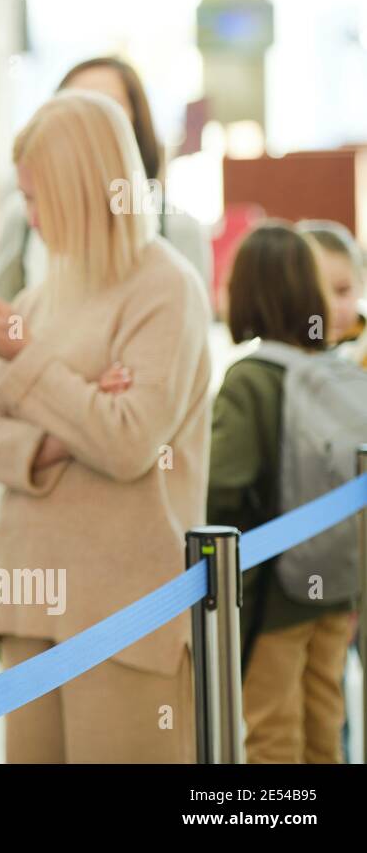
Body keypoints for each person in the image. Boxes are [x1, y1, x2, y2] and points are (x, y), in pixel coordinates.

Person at [0, 90, 212, 763]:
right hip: (30, 606)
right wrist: (73, 421)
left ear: (83, 191)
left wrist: (25, 365)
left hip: (124, 611)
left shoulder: (166, 289)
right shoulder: (42, 296)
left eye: (39, 200)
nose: (29, 219)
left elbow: (127, 443)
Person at [0, 56, 212, 386]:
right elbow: (3, 319)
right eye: (69, 107)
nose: (84, 126)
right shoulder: (24, 220)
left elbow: (182, 357)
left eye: (104, 109)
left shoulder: (174, 232)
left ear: (133, 127)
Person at [208, 222, 354, 763]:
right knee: (325, 720)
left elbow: (223, 486)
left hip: (274, 594)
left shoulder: (249, 378)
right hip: (335, 586)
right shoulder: (330, 371)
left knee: (272, 732)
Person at [299, 219, 366, 369]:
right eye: (316, 292)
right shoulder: (288, 347)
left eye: (342, 291)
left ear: (361, 283)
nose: (331, 306)